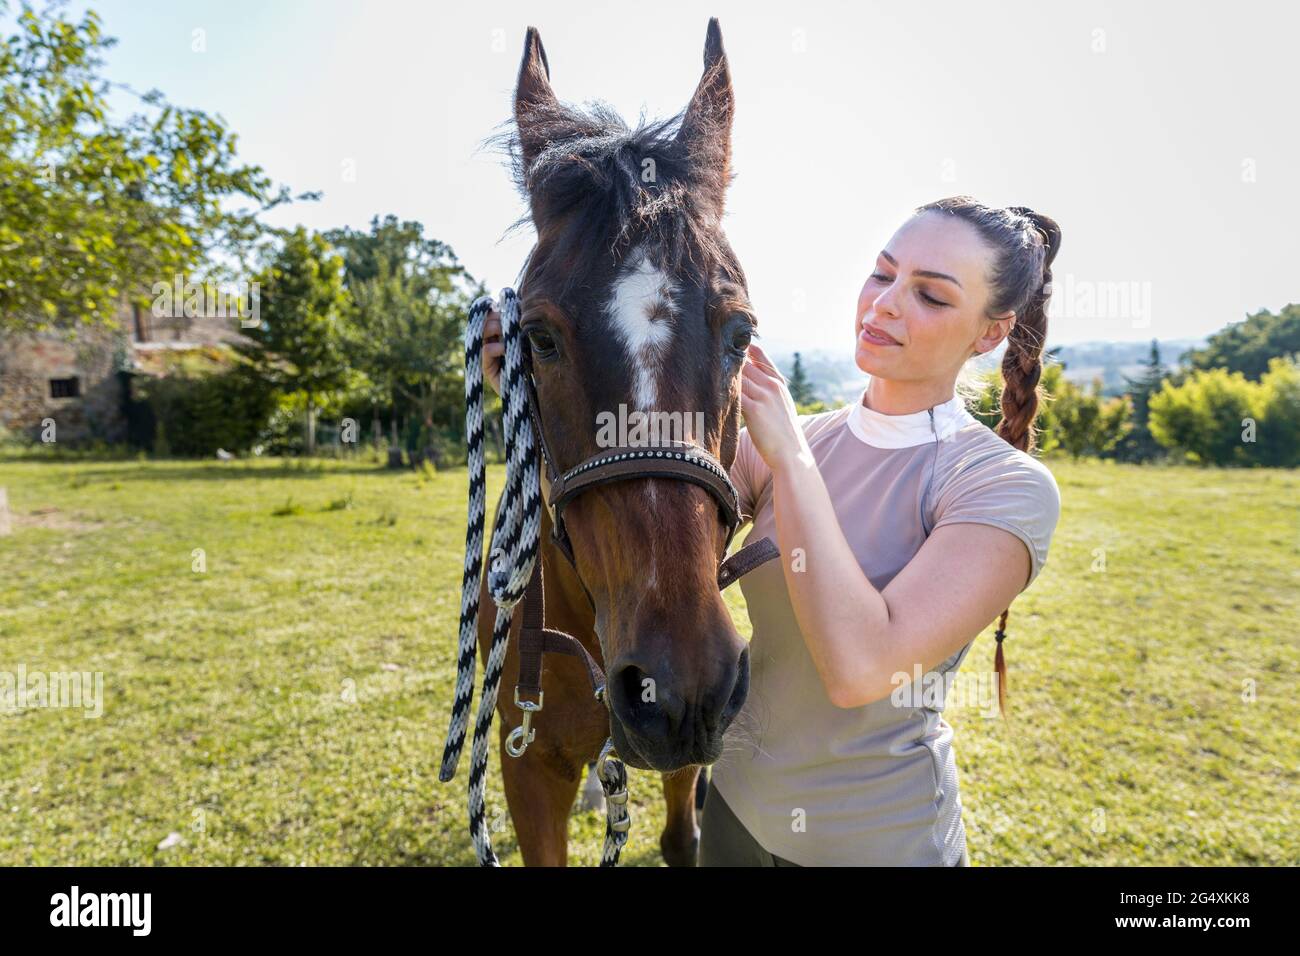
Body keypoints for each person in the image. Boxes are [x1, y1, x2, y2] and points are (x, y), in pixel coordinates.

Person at [482, 195, 1062, 867]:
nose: (885, 304)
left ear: (991, 334)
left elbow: (860, 669)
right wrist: (541, 381)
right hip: (733, 819)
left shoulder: (1002, 486)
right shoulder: (789, 439)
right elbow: (634, 485)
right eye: (883, 273)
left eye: (931, 296)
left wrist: (790, 454)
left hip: (878, 845)